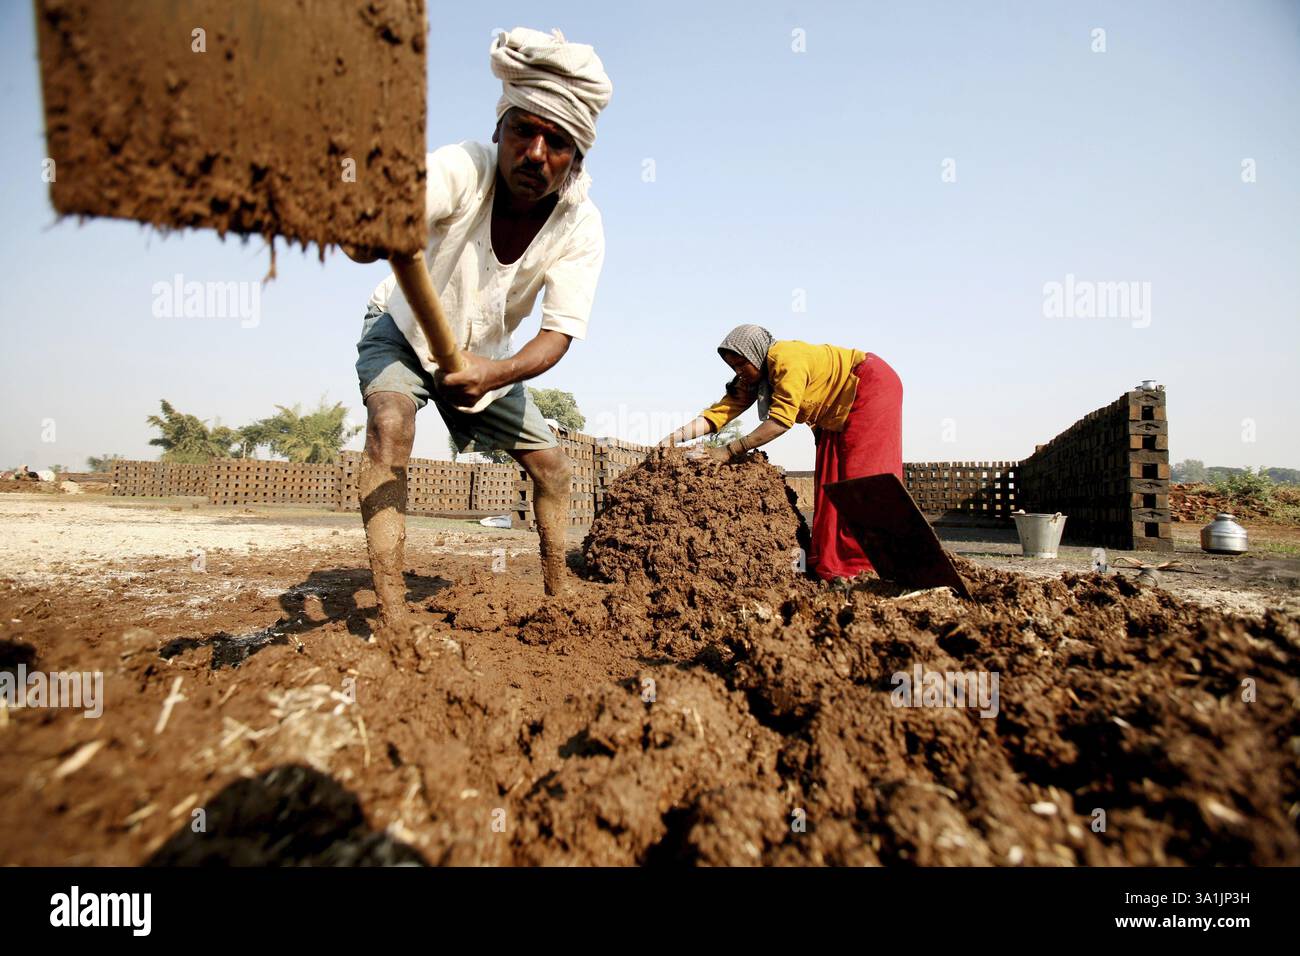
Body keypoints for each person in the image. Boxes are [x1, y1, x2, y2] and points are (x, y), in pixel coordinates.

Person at [346, 27, 612, 627]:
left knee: (554, 468)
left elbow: (557, 335)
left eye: (558, 141)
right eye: (524, 130)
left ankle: (557, 590)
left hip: (485, 359)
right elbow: (403, 206)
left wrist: (492, 372)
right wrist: (369, 227)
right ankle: (392, 612)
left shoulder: (581, 227)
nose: (537, 153)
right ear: (500, 130)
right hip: (402, 327)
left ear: (577, 157)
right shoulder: (466, 166)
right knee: (391, 425)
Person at [659, 324, 903, 582]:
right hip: (835, 410)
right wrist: (674, 437)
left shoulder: (786, 358)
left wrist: (729, 450)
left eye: (742, 364)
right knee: (830, 481)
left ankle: (867, 566)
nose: (739, 372)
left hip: (869, 386)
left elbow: (779, 422)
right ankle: (832, 563)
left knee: (861, 477)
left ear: (755, 353)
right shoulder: (753, 376)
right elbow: (721, 412)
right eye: (733, 367)